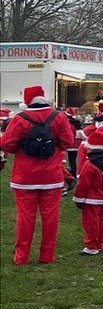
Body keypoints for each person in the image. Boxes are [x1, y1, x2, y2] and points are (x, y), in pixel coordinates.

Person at [1, 85, 75, 265]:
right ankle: (47, 255)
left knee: (25, 217)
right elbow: (67, 142)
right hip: (51, 176)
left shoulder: (20, 118)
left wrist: (23, 147)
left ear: (27, 100)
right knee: (50, 217)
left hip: (24, 177)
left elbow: (6, 144)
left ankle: (21, 256)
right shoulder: (58, 116)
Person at [73, 129, 103, 255]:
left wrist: (78, 198)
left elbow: (83, 184)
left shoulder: (89, 164)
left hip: (91, 199)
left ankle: (91, 246)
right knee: (102, 222)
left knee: (91, 222)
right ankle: (99, 243)